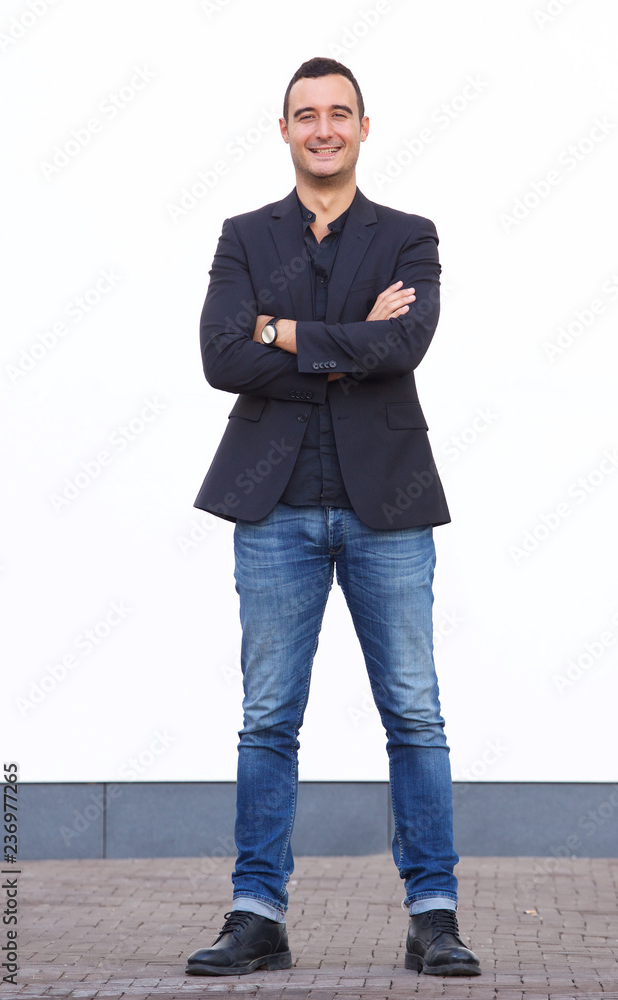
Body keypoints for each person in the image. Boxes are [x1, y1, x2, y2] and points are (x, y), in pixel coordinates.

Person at [185, 56, 480, 979]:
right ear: (283, 131)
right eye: (304, 115)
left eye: (338, 113)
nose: (322, 128)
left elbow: (403, 344)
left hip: (386, 505)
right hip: (272, 508)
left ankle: (433, 915)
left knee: (415, 715)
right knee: (266, 719)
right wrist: (337, 341)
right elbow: (221, 357)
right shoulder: (242, 236)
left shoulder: (407, 237)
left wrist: (283, 331)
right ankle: (256, 914)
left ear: (362, 127)